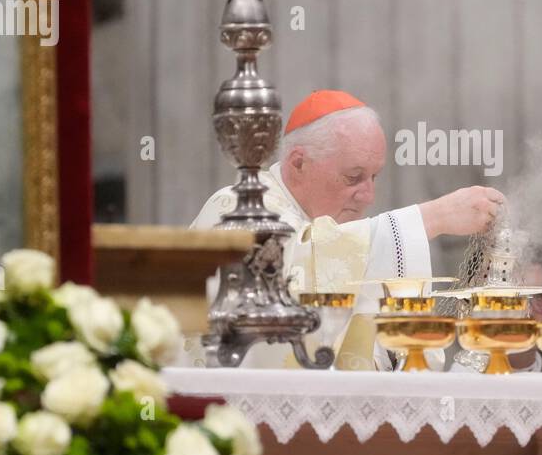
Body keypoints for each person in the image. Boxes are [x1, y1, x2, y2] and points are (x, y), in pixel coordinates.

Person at [191, 89, 505, 368]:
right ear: (298, 163)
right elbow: (293, 267)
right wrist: (431, 218)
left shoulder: (339, 234)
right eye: (352, 178)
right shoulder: (238, 209)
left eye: (374, 177)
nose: (368, 197)